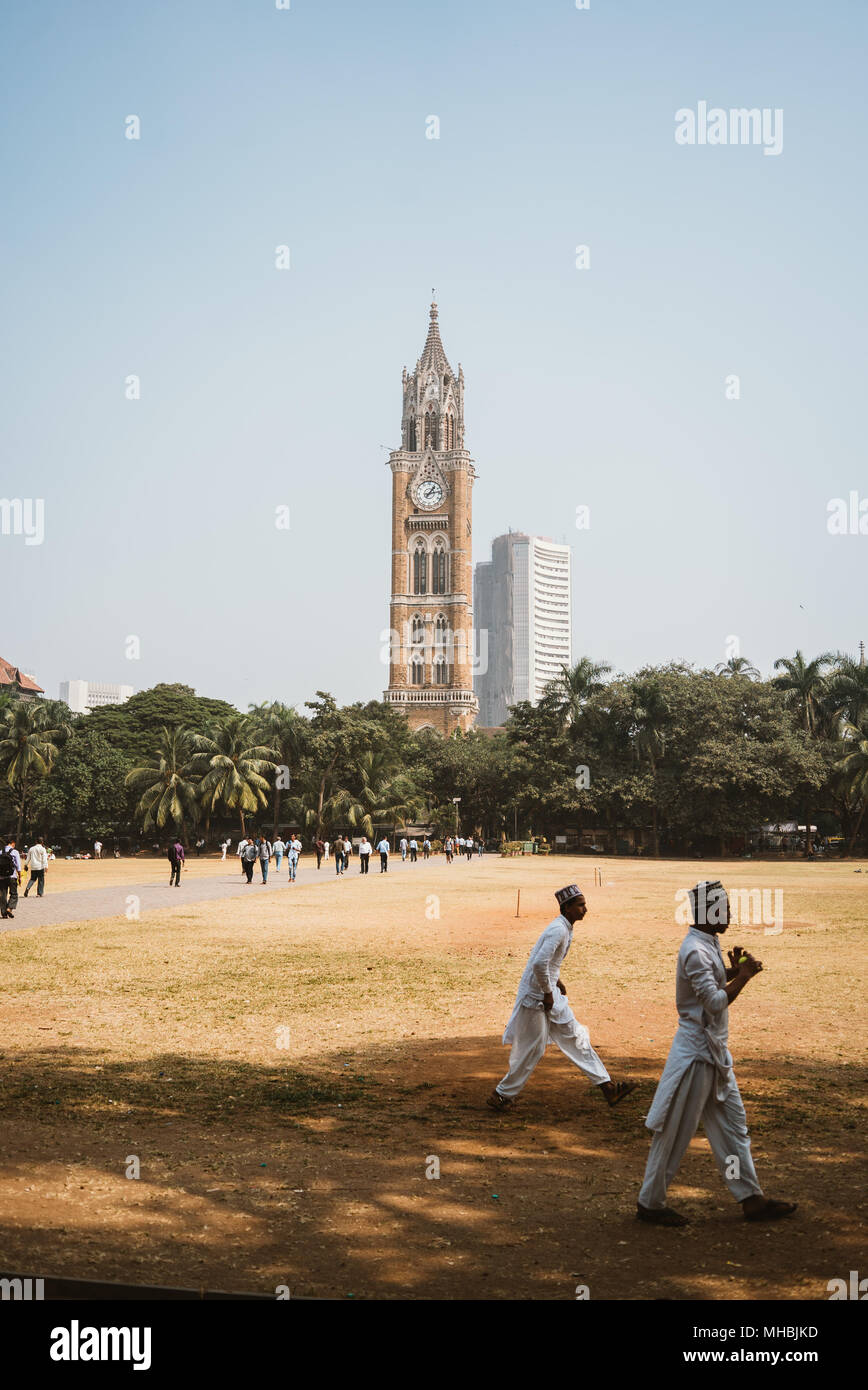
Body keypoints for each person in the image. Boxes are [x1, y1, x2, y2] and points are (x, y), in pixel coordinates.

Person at [636, 881, 798, 1227]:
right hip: (696, 1056)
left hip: (713, 1056)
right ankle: (650, 1202)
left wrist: (733, 968)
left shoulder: (706, 943)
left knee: (732, 1130)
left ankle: (750, 1198)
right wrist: (745, 976)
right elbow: (713, 1001)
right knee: (675, 1131)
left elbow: (709, 983)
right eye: (723, 907)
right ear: (707, 912)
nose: (729, 912)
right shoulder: (695, 949)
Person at [486, 884, 636, 1113]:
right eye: (580, 905)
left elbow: (545, 961)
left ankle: (608, 1088)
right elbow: (538, 963)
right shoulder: (558, 929)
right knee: (533, 1048)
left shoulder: (565, 927)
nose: (585, 909)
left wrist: (556, 982)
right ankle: (502, 1094)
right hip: (536, 997)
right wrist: (547, 991)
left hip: (548, 994)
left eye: (584, 904)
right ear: (566, 908)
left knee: (576, 1036)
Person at [0, 839, 20, 918]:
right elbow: (18, 866)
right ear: (12, 843)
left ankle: (4, 913)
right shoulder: (15, 852)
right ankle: (9, 908)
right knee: (14, 894)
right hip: (12, 876)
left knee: (3, 895)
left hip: (1, 877)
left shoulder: (0, 852)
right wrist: (19, 876)